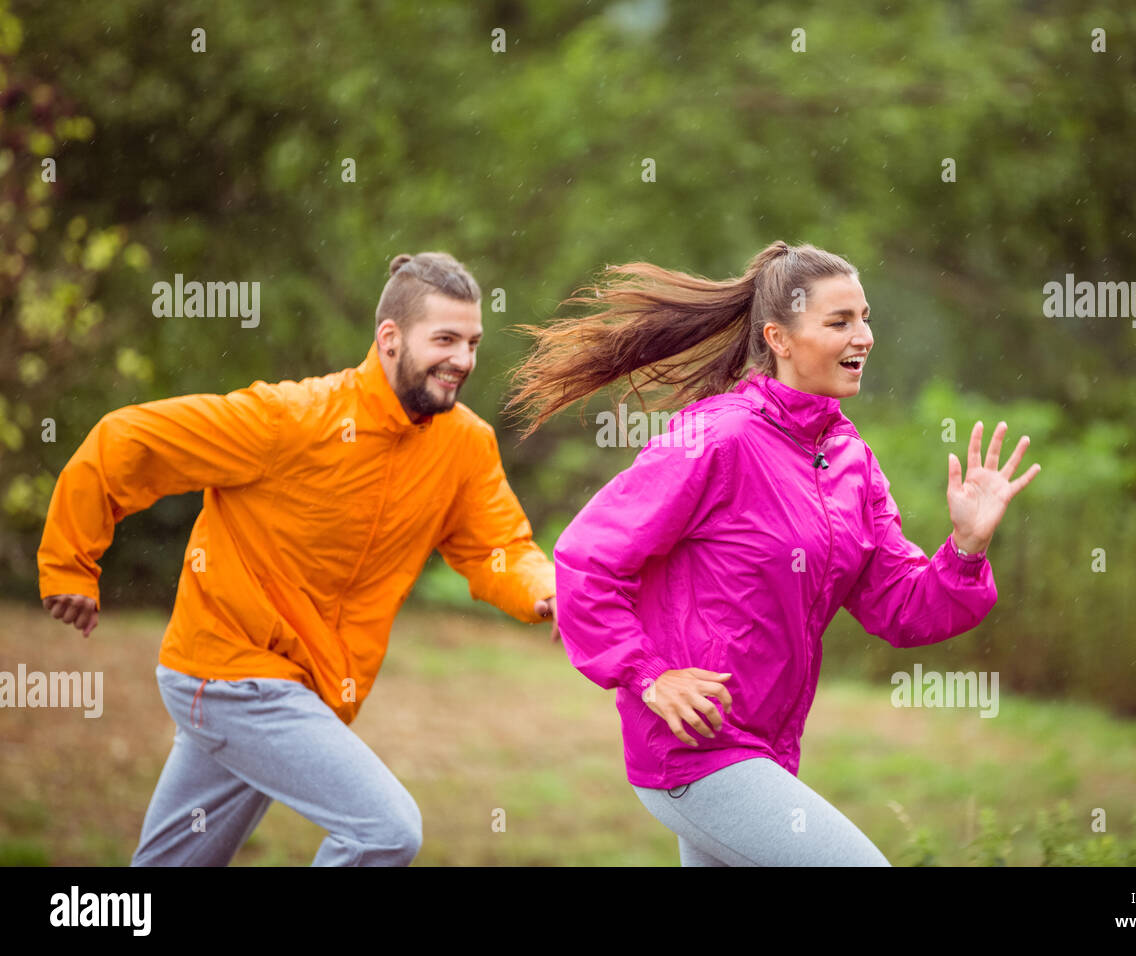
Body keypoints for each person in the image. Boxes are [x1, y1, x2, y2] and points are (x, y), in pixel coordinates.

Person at [505, 240, 1040, 866]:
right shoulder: (717, 438)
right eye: (839, 322)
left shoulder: (850, 462)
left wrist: (966, 548)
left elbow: (900, 607)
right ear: (779, 340)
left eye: (866, 318)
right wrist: (647, 676)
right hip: (697, 749)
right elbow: (586, 558)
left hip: (765, 749)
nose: (863, 336)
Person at [38, 252, 558, 866]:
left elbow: (497, 549)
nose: (463, 360)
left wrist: (545, 590)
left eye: (472, 342)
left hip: (300, 692)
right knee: (385, 830)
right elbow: (128, 440)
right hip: (231, 673)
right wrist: (70, 564)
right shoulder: (293, 419)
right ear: (389, 339)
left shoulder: (464, 446)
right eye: (444, 340)